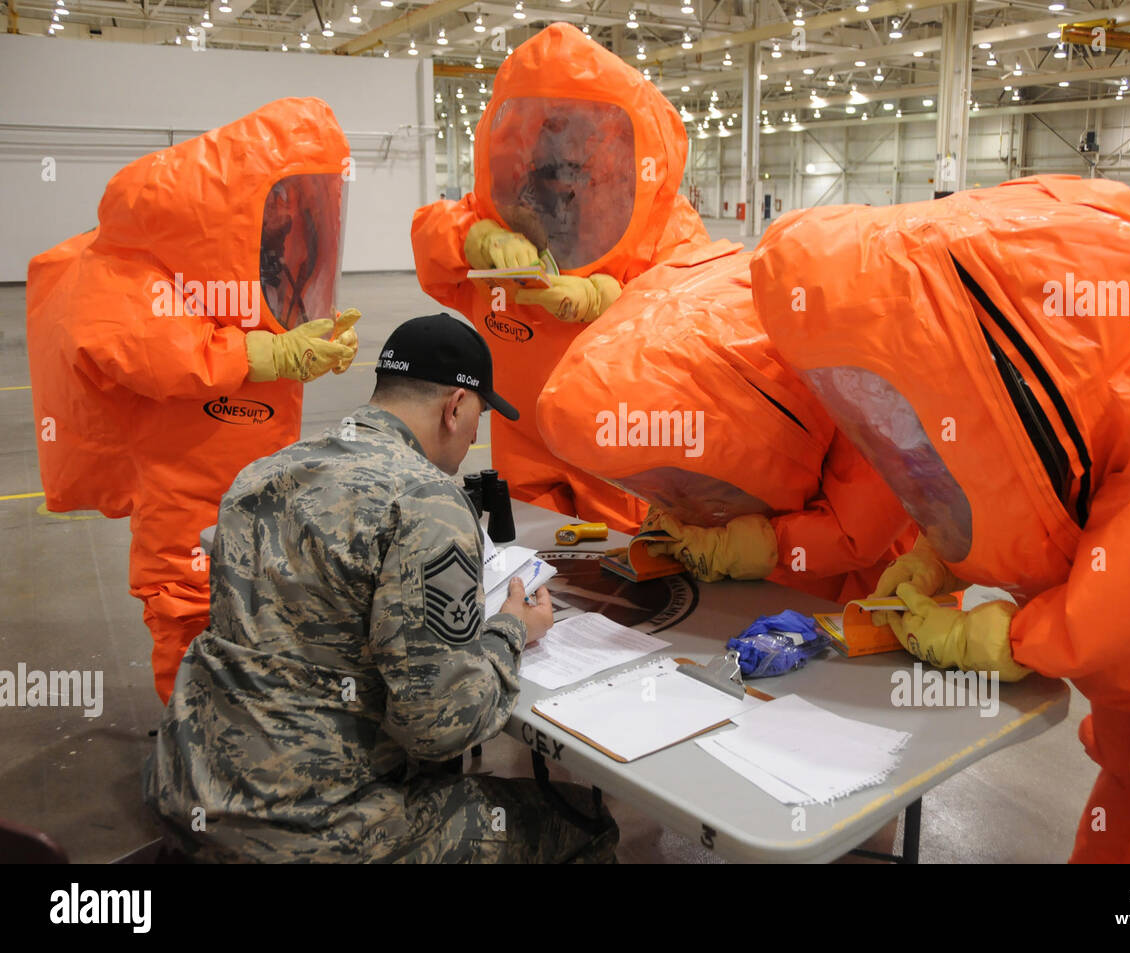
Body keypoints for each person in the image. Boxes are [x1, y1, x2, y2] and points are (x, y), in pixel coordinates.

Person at [749, 175, 1130, 863]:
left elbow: (1127, 593)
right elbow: (1002, 445)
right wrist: (940, 549)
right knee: (1129, 790)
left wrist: (994, 638)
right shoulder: (1091, 326)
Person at [145, 314, 618, 863]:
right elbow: (441, 725)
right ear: (455, 406)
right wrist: (512, 629)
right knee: (581, 822)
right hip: (309, 834)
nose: (472, 436)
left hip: (188, 795)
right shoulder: (426, 499)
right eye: (479, 418)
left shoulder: (262, 474)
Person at [26, 97, 361, 703]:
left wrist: (303, 341)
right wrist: (257, 356)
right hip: (182, 473)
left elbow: (247, 309)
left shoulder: (258, 243)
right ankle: (197, 749)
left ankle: (238, 726)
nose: (294, 216)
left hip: (250, 461)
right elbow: (137, 341)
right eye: (287, 200)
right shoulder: (126, 261)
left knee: (253, 589)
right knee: (187, 598)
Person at [410, 22, 711, 534]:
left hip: (619, 440)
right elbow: (430, 238)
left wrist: (607, 297)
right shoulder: (496, 217)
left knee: (624, 569)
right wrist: (476, 238)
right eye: (551, 167)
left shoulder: (659, 222)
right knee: (531, 557)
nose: (563, 190)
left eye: (576, 167)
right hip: (523, 439)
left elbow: (699, 301)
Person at [536, 238, 911, 602]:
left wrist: (747, 547)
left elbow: (858, 532)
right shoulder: (670, 319)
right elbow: (695, 455)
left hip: (866, 587)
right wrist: (676, 512)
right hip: (761, 567)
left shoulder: (872, 381)